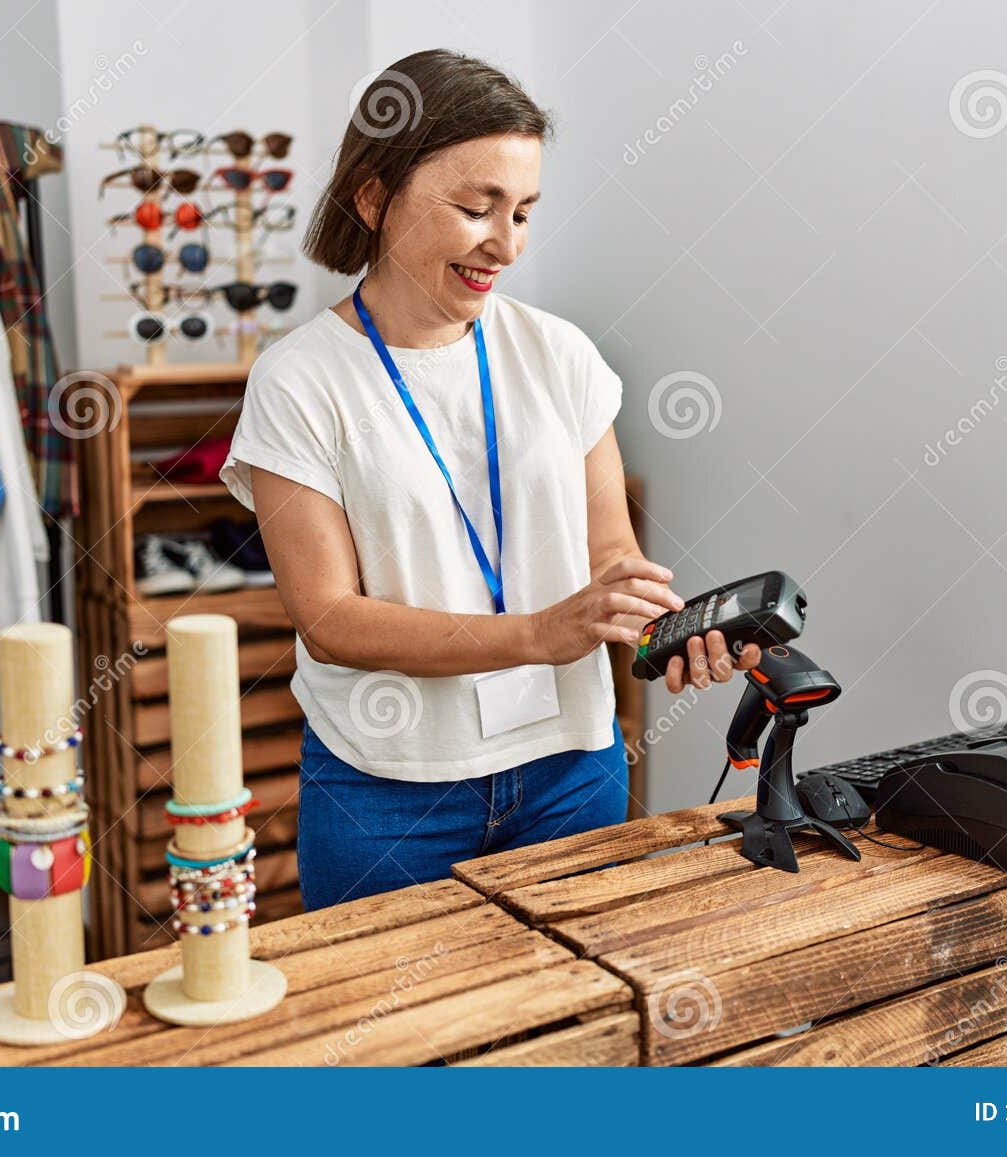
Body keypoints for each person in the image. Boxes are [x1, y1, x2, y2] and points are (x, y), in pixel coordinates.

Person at [221, 48, 757, 911]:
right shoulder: (298, 382)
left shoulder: (559, 354)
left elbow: (609, 556)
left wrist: (669, 626)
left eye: (524, 212)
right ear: (373, 197)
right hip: (388, 790)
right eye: (476, 209)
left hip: (570, 769)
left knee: (570, 1000)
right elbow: (328, 619)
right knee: (384, 1005)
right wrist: (539, 632)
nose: (504, 244)